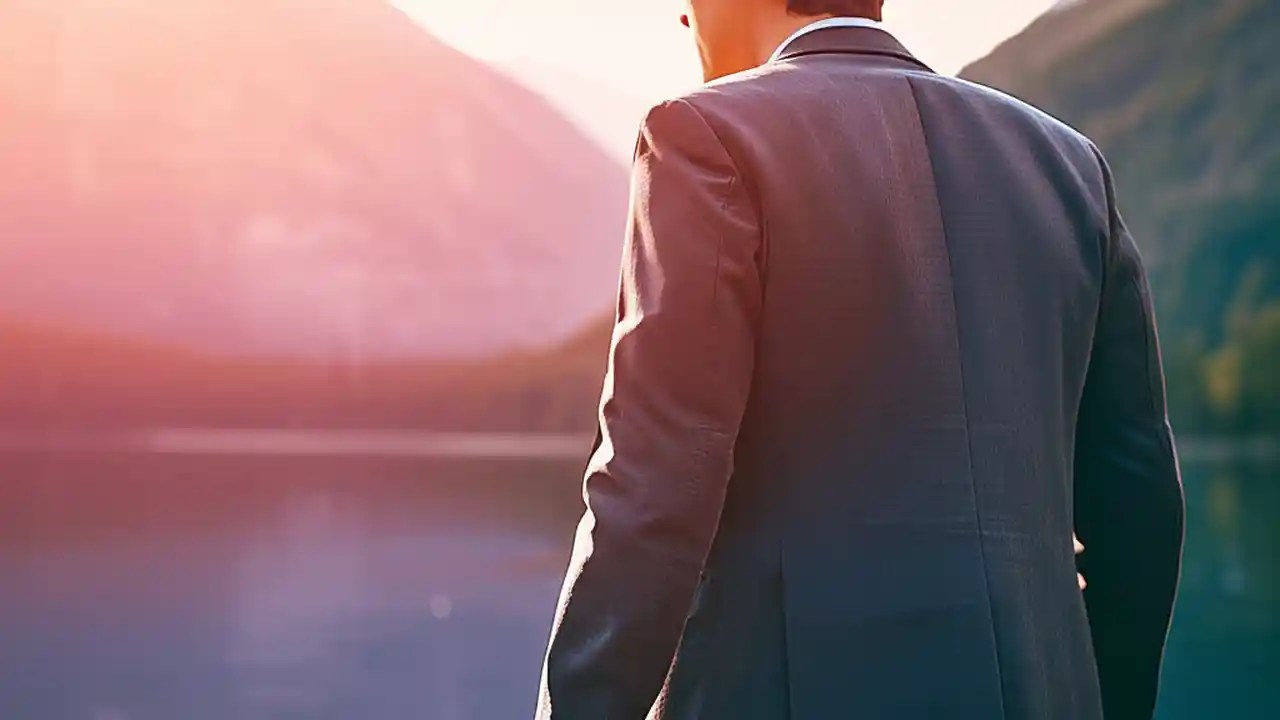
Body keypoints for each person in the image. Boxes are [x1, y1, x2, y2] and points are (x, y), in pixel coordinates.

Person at [535, 1, 1185, 718]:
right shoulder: (1069, 166)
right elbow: (1140, 506)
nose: (682, 18)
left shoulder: (703, 137)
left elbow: (652, 489)